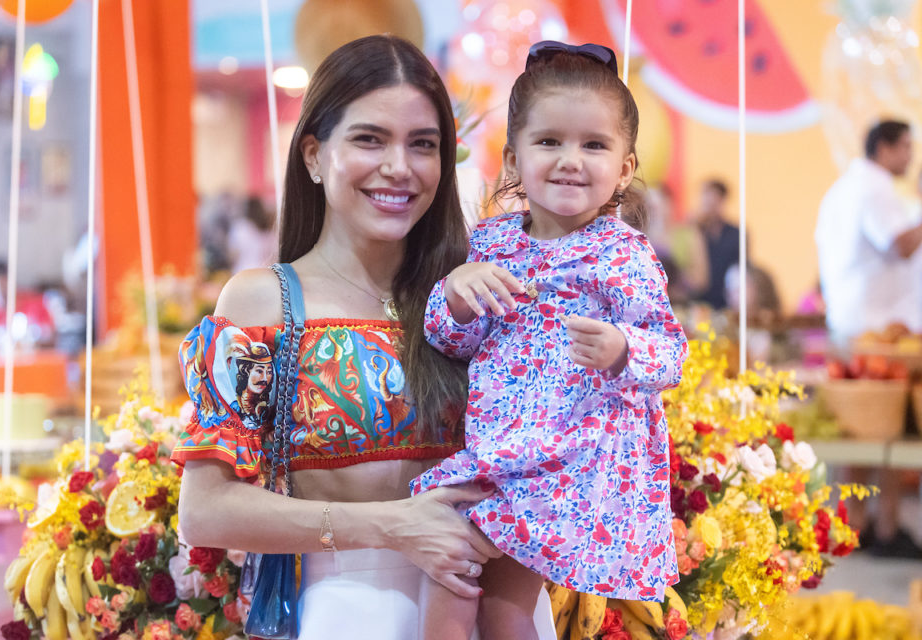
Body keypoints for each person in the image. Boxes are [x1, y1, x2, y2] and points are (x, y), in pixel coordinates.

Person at [173, 35, 553, 639]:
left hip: (494, 607)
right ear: (313, 155)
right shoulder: (262, 303)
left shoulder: (478, 293)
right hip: (347, 608)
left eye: (422, 144)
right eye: (369, 139)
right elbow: (205, 510)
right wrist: (392, 526)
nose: (399, 167)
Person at [411, 42, 688, 640]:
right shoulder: (491, 243)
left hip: (572, 462)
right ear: (514, 158)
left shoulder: (624, 254)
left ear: (626, 168)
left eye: (594, 145)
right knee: (479, 590)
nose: (570, 160)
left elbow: (670, 352)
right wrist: (456, 296)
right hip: (501, 450)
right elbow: (453, 341)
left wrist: (622, 349)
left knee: (473, 578)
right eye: (549, 141)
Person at [815, 119, 922, 558]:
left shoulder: (845, 188)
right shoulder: (874, 188)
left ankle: (859, 525)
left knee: (860, 435)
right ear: (885, 148)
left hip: (856, 323)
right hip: (876, 332)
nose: (910, 157)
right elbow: (900, 244)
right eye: (906, 147)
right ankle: (880, 527)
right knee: (884, 433)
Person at [693, 179, 740, 309]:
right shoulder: (695, 231)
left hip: (726, 299)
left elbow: (739, 267)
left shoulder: (736, 234)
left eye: (714, 201)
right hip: (699, 299)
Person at [227, 196, 278, 272]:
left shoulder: (240, 227)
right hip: (265, 271)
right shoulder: (270, 228)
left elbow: (233, 254)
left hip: (243, 271)